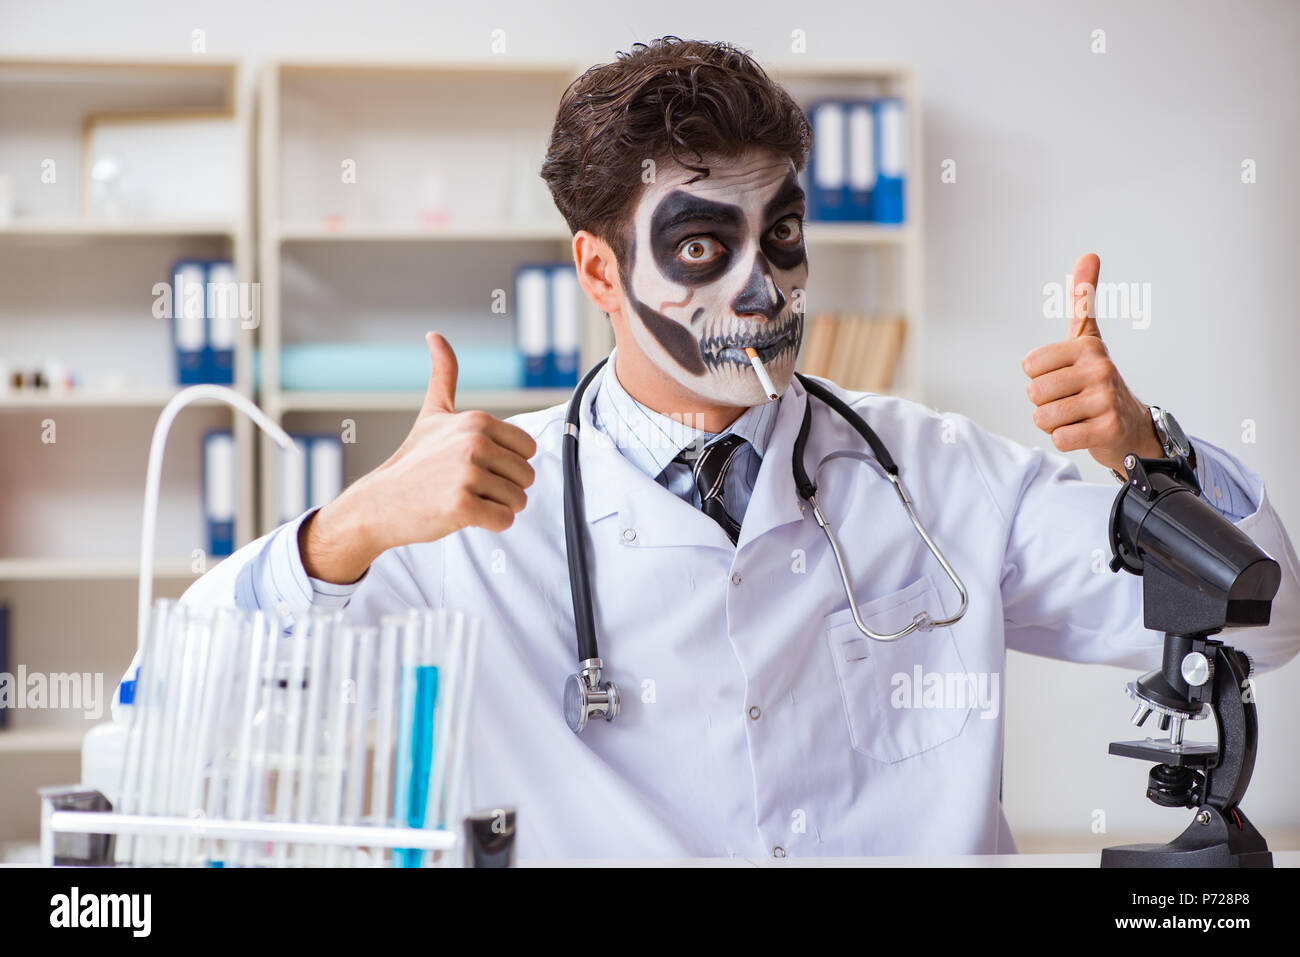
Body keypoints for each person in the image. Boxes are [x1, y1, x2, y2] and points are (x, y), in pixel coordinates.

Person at [172, 37, 1300, 860]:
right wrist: (350, 529)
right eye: (705, 244)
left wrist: (1150, 455)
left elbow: (1274, 616)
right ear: (601, 272)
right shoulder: (465, 508)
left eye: (785, 235)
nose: (765, 287)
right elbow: (184, 706)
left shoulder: (938, 475)